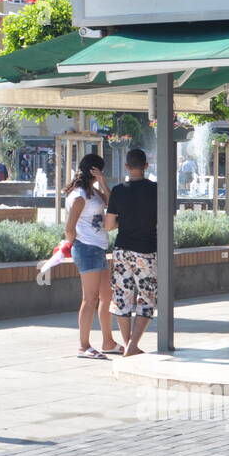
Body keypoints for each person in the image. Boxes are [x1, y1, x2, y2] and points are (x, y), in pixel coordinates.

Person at [63, 153, 118, 359]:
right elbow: (69, 228)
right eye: (100, 171)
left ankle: (108, 342)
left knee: (106, 296)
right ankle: (83, 346)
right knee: (90, 299)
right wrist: (71, 245)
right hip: (86, 248)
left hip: (98, 248)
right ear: (94, 170)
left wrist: (103, 182)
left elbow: (112, 204)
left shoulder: (92, 192)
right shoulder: (78, 196)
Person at [108, 148, 158, 357]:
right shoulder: (156, 189)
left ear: (127, 166)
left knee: (122, 297)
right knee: (147, 298)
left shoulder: (118, 190)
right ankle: (133, 345)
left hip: (121, 250)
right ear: (146, 166)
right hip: (145, 250)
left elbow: (109, 225)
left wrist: (124, 221)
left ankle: (128, 343)